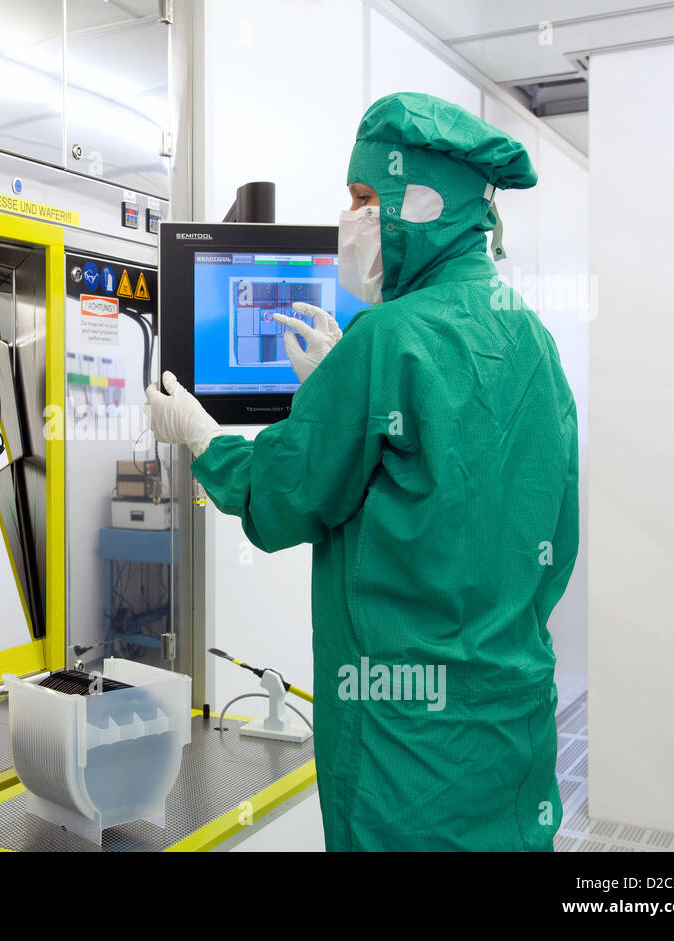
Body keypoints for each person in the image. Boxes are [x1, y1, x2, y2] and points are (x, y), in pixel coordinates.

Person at [145, 92, 578, 851]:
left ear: (423, 203)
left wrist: (203, 438)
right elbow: (538, 522)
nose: (349, 218)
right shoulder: (532, 338)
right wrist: (339, 394)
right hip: (507, 722)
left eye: (363, 198)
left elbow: (283, 496)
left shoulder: (386, 337)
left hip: (404, 749)